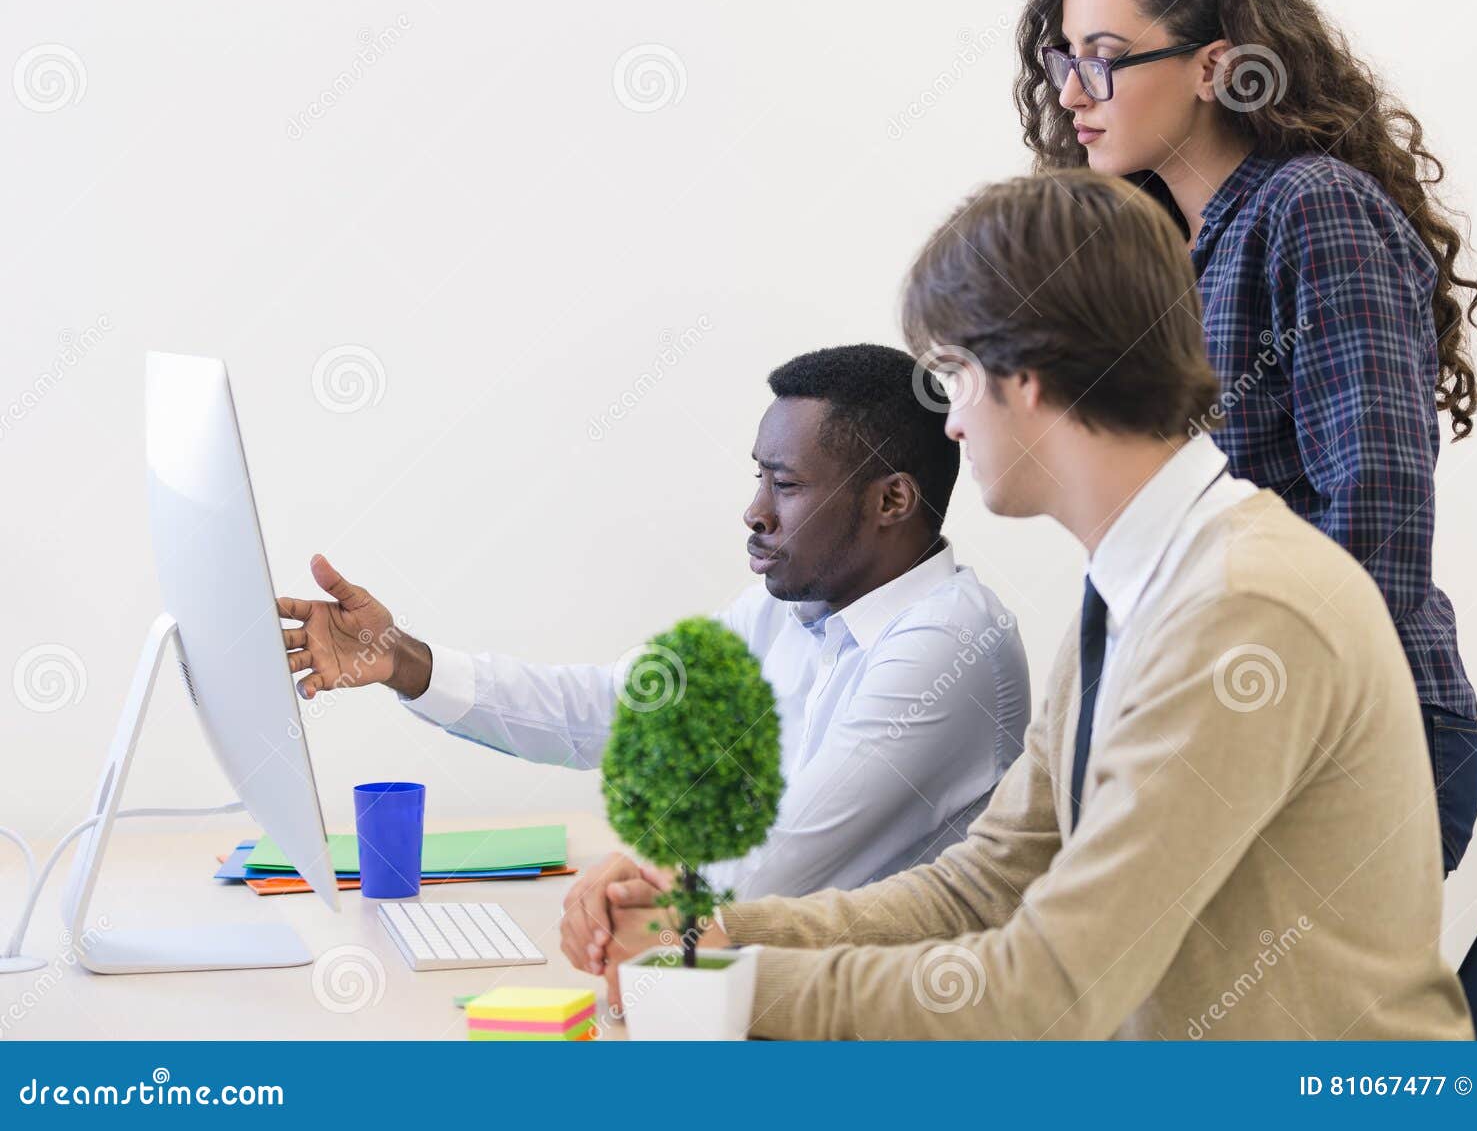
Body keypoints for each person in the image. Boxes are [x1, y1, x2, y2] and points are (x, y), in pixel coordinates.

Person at [580, 171, 1474, 1040]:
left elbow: (1047, 991)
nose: (952, 424)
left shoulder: (1242, 608)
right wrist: (718, 932)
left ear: (1030, 374)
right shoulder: (1135, 585)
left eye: (954, 377)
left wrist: (723, 984)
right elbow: (987, 883)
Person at [1014, 0, 1477, 872]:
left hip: (1359, 729)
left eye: (1105, 62)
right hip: (1235, 712)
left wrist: (1271, 729)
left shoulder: (1310, 207)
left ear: (1213, 68)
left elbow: (1377, 510)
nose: (1072, 92)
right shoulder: (1166, 247)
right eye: (1065, 58)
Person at [277, 343, 1029, 904]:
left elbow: (776, 868)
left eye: (787, 484)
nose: (755, 510)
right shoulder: (793, 610)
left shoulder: (949, 642)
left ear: (891, 501)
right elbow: (613, 709)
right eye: (758, 475)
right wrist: (404, 659)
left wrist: (629, 884)